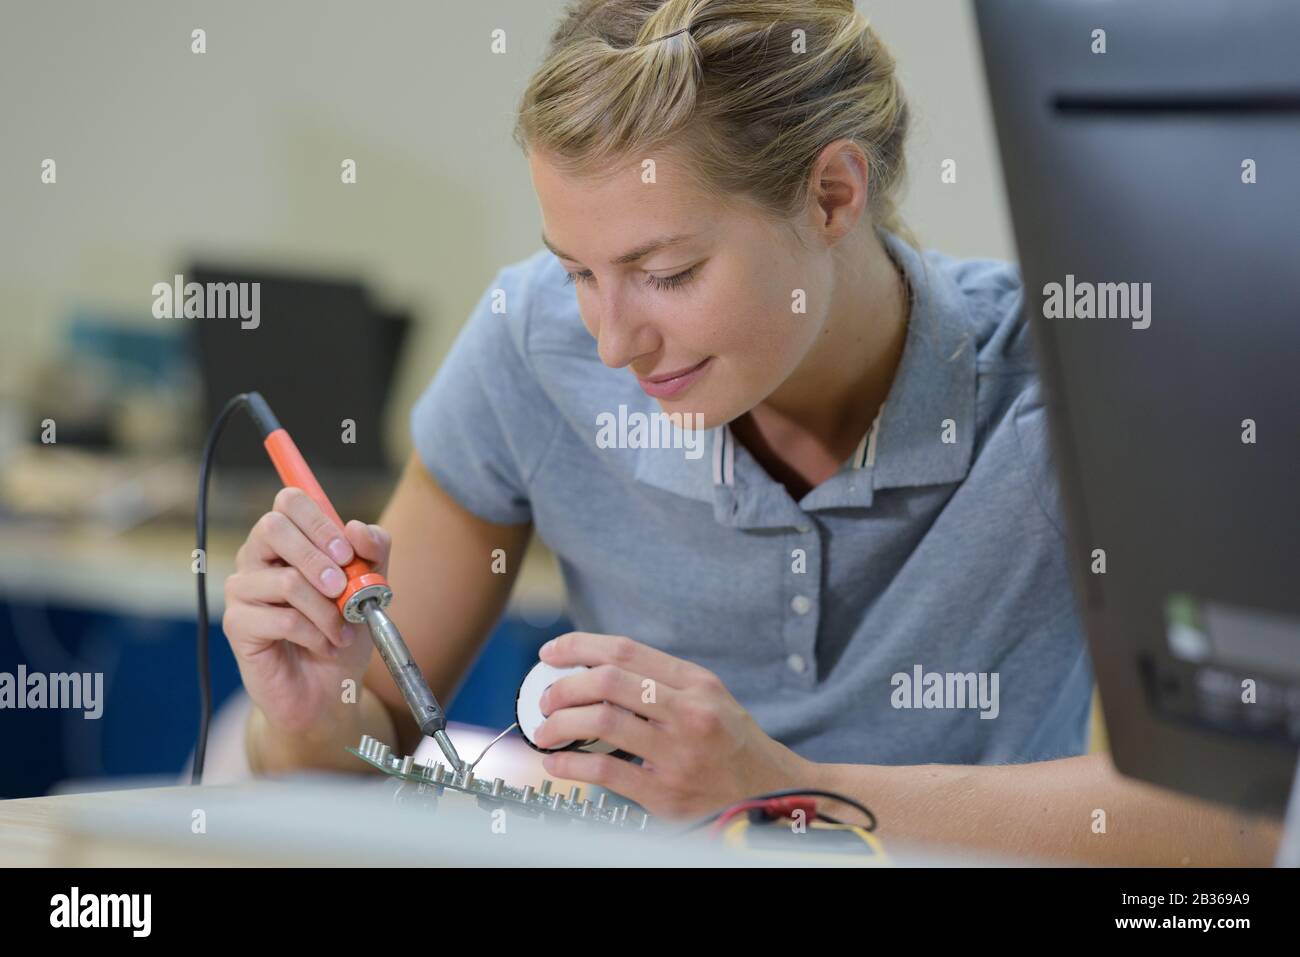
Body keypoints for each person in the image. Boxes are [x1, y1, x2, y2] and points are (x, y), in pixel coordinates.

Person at [222, 0, 1280, 864]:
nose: (612, 345)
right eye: (577, 270)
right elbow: (359, 758)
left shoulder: (1069, 392)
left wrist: (783, 790)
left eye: (667, 273)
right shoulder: (527, 351)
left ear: (830, 195)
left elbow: (1228, 820)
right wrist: (312, 714)